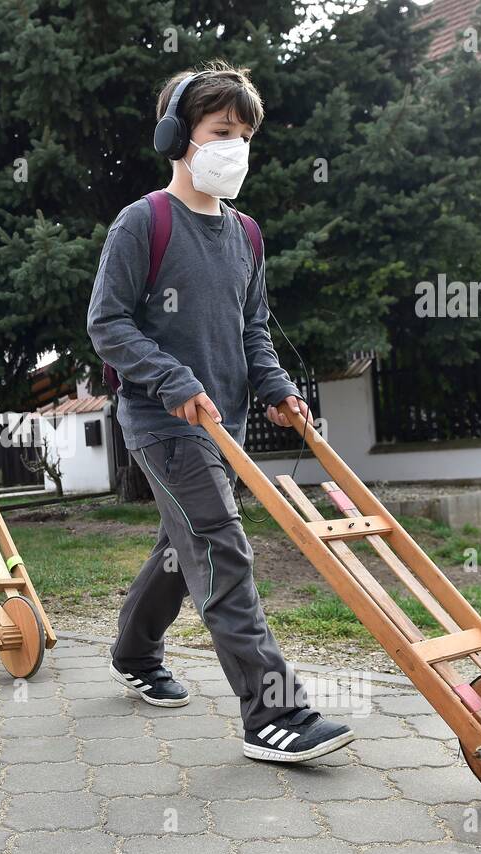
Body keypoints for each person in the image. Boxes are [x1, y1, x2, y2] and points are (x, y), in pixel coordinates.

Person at [87, 62, 353, 763]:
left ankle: (134, 653)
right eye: (221, 131)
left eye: (245, 135)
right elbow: (107, 323)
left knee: (185, 547)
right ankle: (275, 714)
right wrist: (170, 378)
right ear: (179, 136)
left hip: (224, 422)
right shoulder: (144, 222)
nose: (236, 146)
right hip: (163, 423)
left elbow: (253, 329)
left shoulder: (247, 234)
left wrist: (279, 388)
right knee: (222, 547)